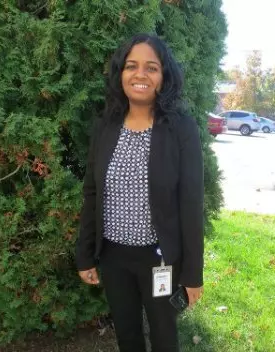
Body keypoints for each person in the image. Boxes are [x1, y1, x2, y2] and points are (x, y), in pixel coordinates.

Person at [75, 33, 204, 352]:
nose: (140, 74)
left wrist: (192, 274)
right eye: (131, 66)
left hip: (159, 259)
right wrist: (85, 254)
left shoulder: (180, 129)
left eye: (152, 68)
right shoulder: (106, 126)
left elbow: (191, 204)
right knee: (127, 336)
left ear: (163, 77)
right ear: (121, 74)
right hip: (113, 257)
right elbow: (92, 193)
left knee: (164, 337)